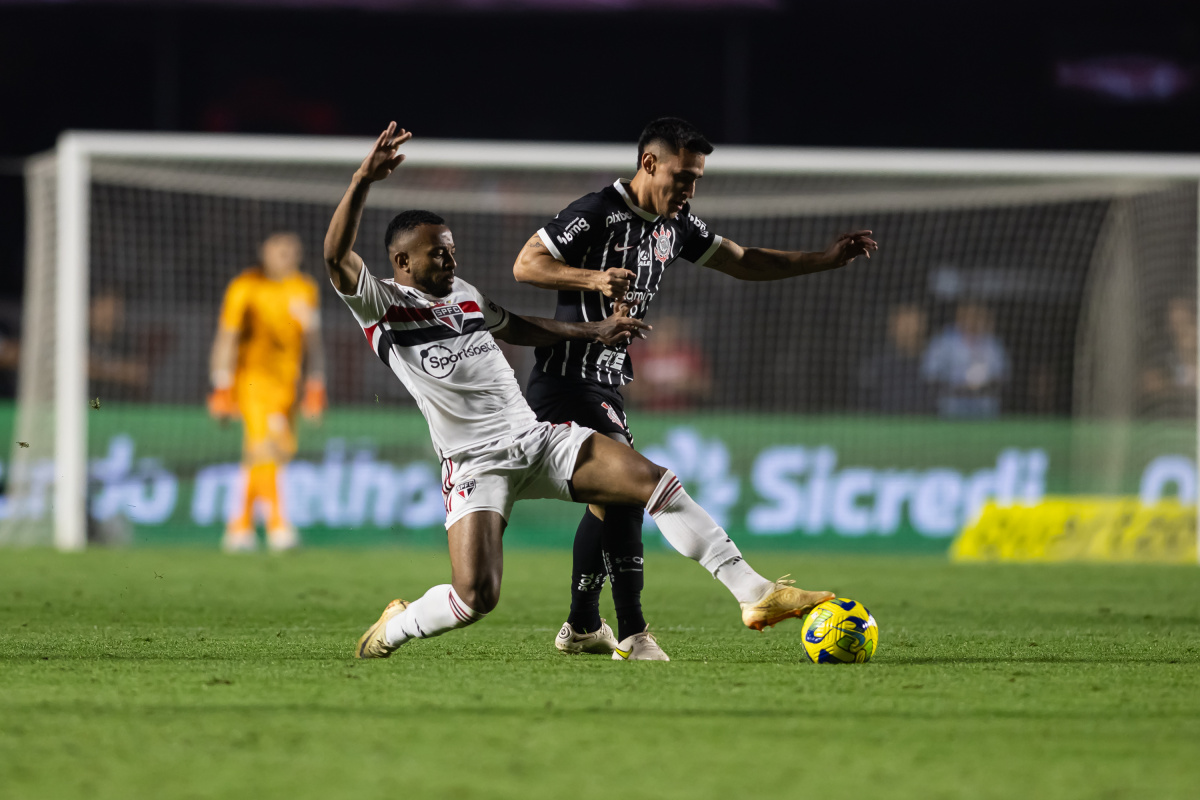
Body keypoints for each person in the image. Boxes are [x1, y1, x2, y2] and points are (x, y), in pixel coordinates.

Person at [328, 123, 835, 661]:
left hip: (538, 438)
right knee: (476, 597)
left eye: (451, 250)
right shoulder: (380, 305)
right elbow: (337, 256)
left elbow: (520, 326)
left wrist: (592, 332)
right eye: (437, 254)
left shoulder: (466, 295)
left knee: (654, 483)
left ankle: (754, 593)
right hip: (474, 463)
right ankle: (395, 627)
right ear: (403, 263)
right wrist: (363, 178)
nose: (451, 260)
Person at [511, 117, 876, 658]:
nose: (689, 190)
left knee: (612, 501)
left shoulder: (675, 227)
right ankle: (652, 628)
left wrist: (825, 259)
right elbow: (526, 264)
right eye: (682, 177)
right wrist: (592, 278)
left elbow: (746, 261)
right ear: (650, 164)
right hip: (565, 381)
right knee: (637, 490)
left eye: (697, 179)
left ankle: (584, 626)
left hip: (608, 384)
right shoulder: (596, 212)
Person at [208, 232, 327, 552]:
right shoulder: (245, 287)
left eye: (292, 251)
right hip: (252, 382)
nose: (286, 256)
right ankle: (278, 527)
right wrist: (221, 384)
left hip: (288, 384)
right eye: (279, 250)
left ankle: (239, 527)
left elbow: (313, 343)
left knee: (272, 453)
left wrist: (316, 385)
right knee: (266, 446)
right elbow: (227, 336)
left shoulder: (305, 289)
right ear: (264, 252)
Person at [920, 301, 1009, 418]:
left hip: (985, 408)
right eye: (967, 315)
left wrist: (980, 388)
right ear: (959, 316)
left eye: (977, 315)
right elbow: (930, 375)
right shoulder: (944, 341)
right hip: (950, 407)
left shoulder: (992, 344)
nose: (972, 320)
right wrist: (958, 389)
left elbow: (1003, 377)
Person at [858, 302, 933, 414]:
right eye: (902, 323)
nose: (907, 330)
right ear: (891, 328)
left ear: (923, 325)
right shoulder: (876, 365)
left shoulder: (935, 361)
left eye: (911, 322)